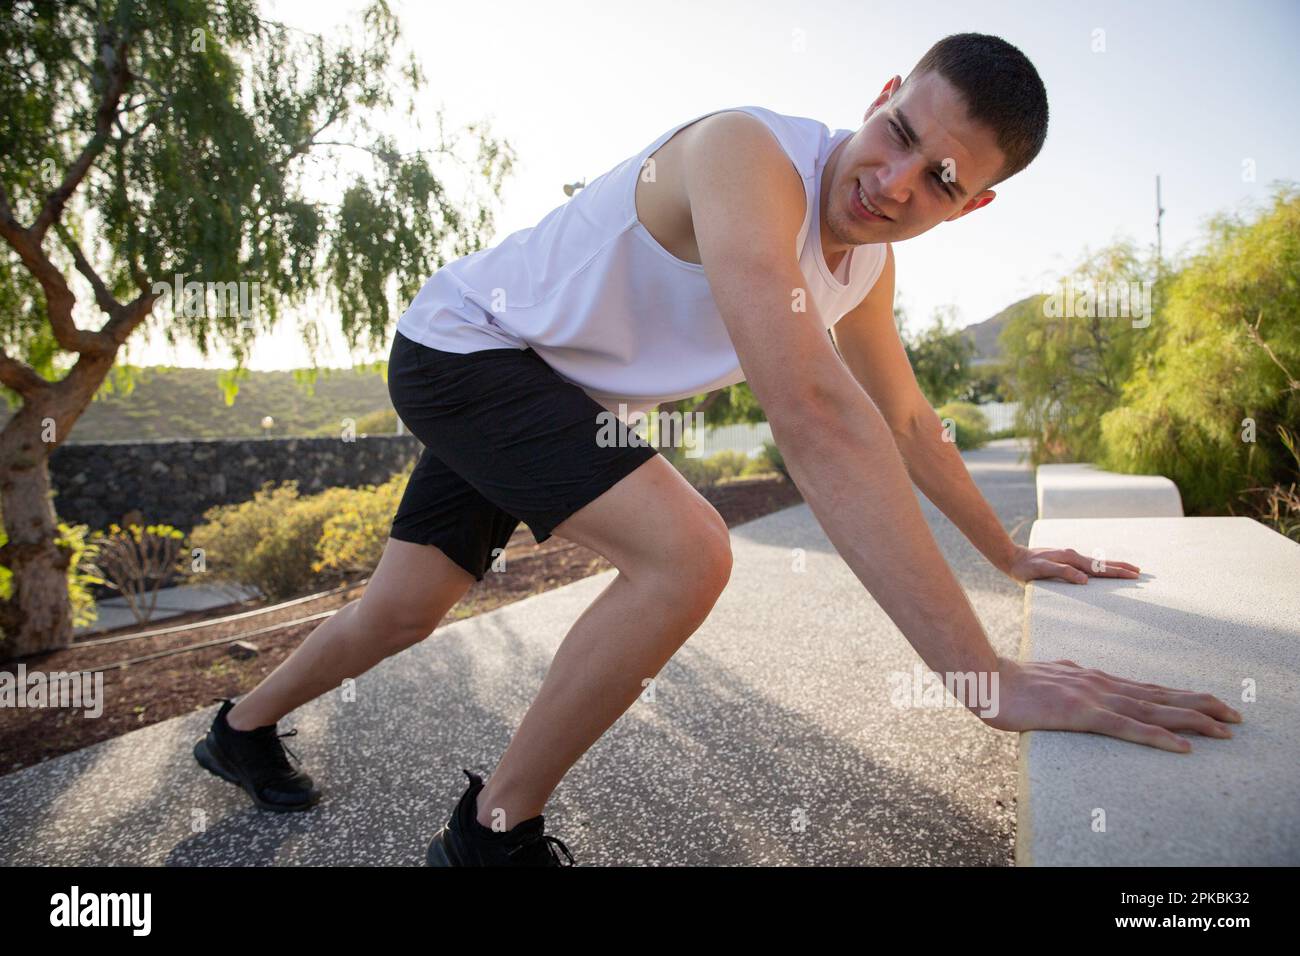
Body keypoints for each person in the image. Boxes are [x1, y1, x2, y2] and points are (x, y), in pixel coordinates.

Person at [193, 32, 1242, 866]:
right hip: (465, 350)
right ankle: (492, 830)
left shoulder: (864, 269)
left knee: (404, 609)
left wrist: (1008, 554)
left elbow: (910, 423)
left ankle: (238, 728)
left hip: (551, 391)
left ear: (976, 205)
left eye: (940, 180)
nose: (890, 182)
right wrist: (980, 674)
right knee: (689, 552)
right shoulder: (748, 154)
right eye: (896, 132)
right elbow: (816, 414)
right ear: (880, 91)